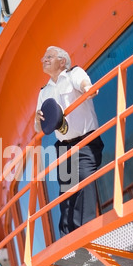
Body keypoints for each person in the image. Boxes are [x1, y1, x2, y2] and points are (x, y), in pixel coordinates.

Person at [35, 46, 104, 237]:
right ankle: (68, 240)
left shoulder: (74, 73)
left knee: (84, 183)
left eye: (49, 57)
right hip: (63, 147)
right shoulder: (44, 92)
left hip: (85, 141)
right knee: (66, 193)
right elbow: (38, 127)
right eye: (44, 57)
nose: (44, 60)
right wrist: (36, 119)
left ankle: (87, 234)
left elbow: (84, 84)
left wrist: (87, 89)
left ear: (62, 61)